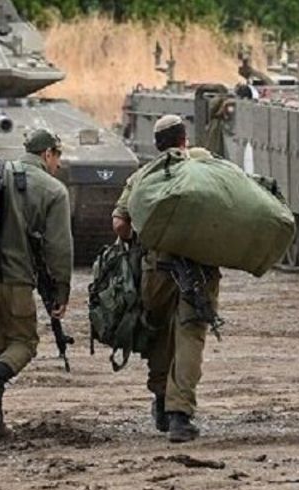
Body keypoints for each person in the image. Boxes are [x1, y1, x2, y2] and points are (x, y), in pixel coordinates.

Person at [111, 114, 221, 443]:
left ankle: (161, 401)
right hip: (198, 269)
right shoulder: (205, 166)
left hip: (156, 271)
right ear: (184, 139)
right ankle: (179, 416)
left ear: (157, 144)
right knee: (189, 337)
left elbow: (119, 224)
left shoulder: (143, 175)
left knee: (158, 335)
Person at [0, 128, 73, 441]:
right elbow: (59, 248)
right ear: (47, 154)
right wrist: (61, 290)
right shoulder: (53, 190)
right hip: (15, 279)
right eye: (57, 156)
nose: (58, 164)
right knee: (24, 343)